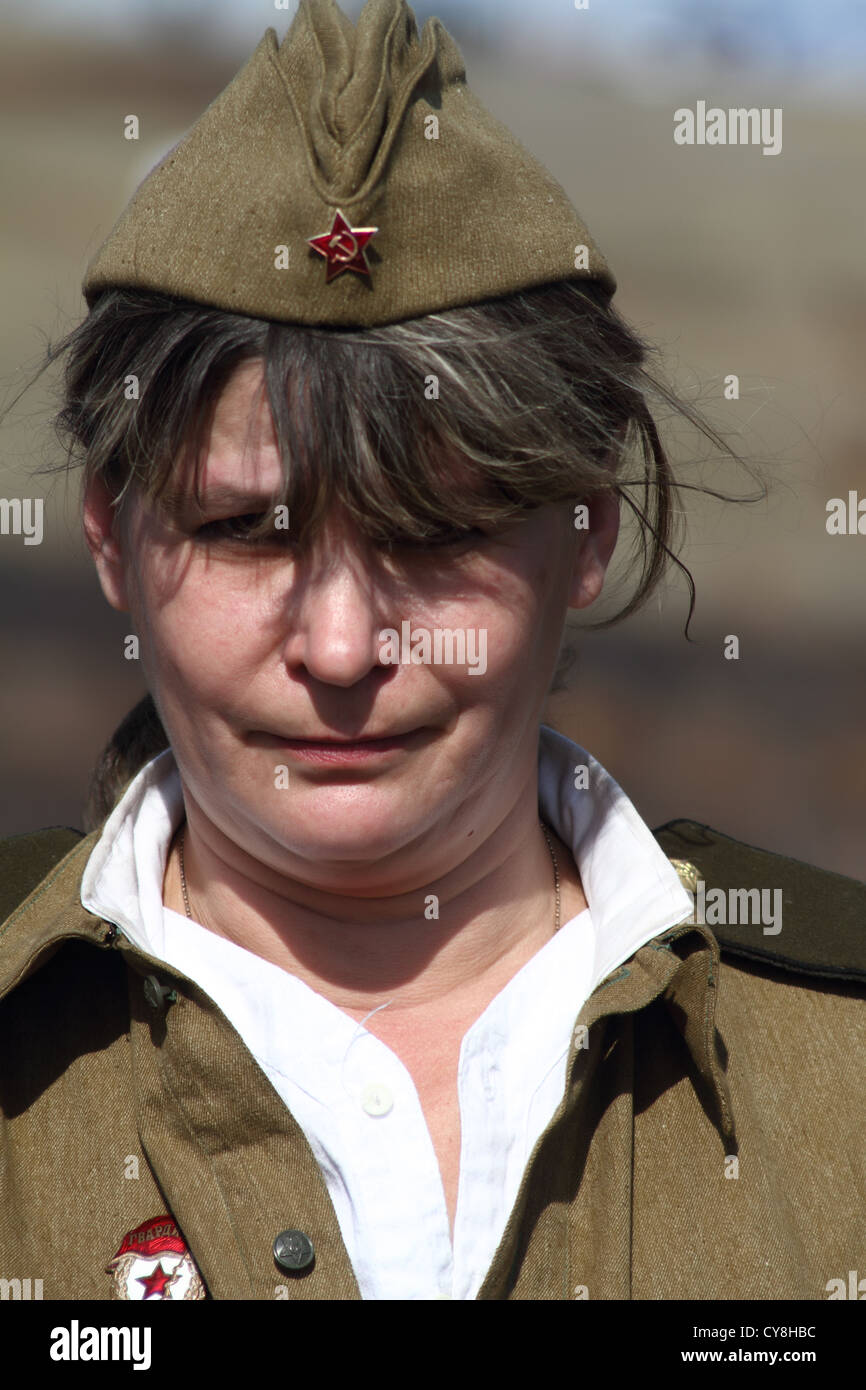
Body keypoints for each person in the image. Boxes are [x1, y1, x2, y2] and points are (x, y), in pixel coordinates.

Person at [1, 0, 863, 1303]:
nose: (344, 645)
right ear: (112, 540)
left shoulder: (836, 1063)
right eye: (245, 530)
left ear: (584, 533)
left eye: (431, 533)